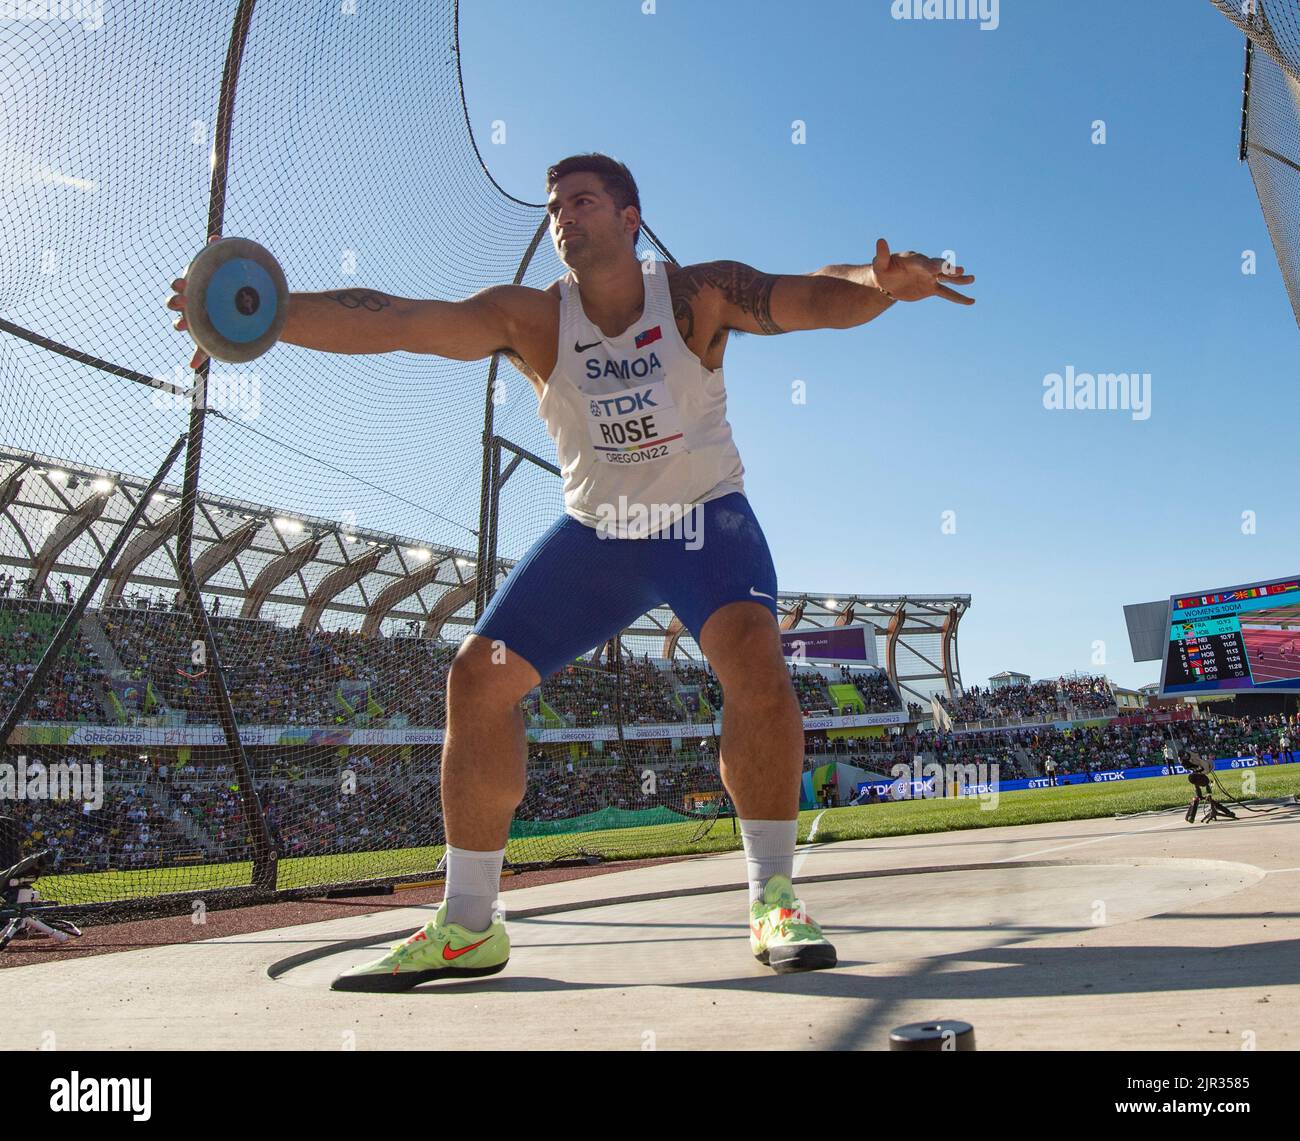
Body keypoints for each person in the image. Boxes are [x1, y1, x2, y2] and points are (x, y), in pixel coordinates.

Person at [170, 153, 974, 991]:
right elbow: (402, 319)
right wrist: (264, 312)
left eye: (582, 201)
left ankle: (774, 896)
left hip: (705, 521)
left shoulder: (699, 295)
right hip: (600, 534)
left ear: (631, 219)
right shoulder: (533, 319)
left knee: (754, 657)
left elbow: (808, 295)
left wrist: (878, 284)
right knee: (476, 680)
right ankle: (470, 924)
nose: (564, 217)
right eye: (556, 207)